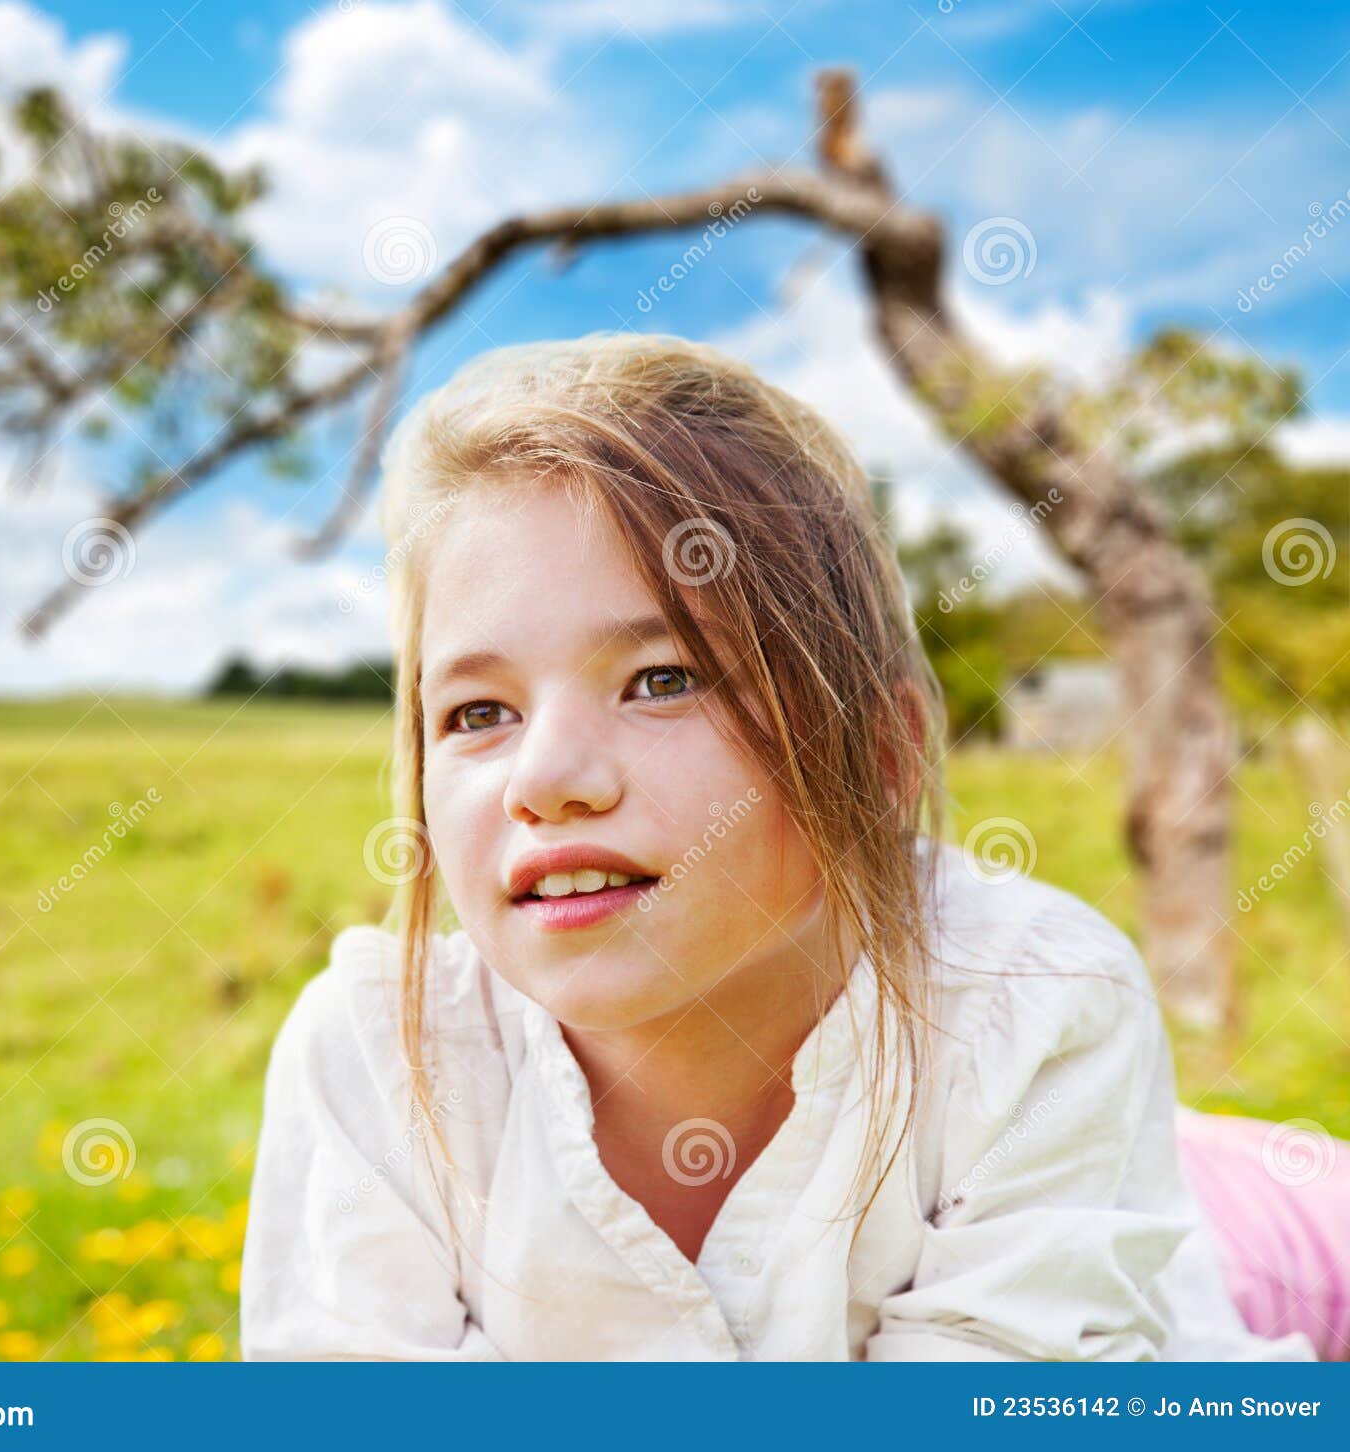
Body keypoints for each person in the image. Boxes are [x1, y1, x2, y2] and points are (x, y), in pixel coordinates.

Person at [240, 332, 1334, 1361]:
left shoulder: (1037, 1006)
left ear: (884, 757)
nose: (545, 781)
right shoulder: (374, 1059)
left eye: (661, 681)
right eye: (478, 712)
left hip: (1202, 1279)